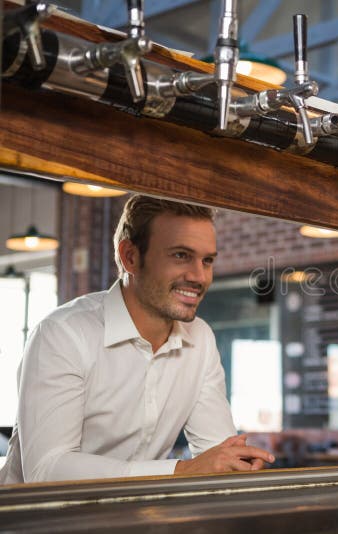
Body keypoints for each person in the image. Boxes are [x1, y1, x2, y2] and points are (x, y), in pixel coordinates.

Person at [0, 195, 274, 484]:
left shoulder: (201, 339)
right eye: (181, 255)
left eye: (207, 260)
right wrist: (181, 470)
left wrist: (236, 466)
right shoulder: (63, 334)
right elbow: (45, 471)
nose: (199, 276)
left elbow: (216, 456)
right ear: (130, 257)